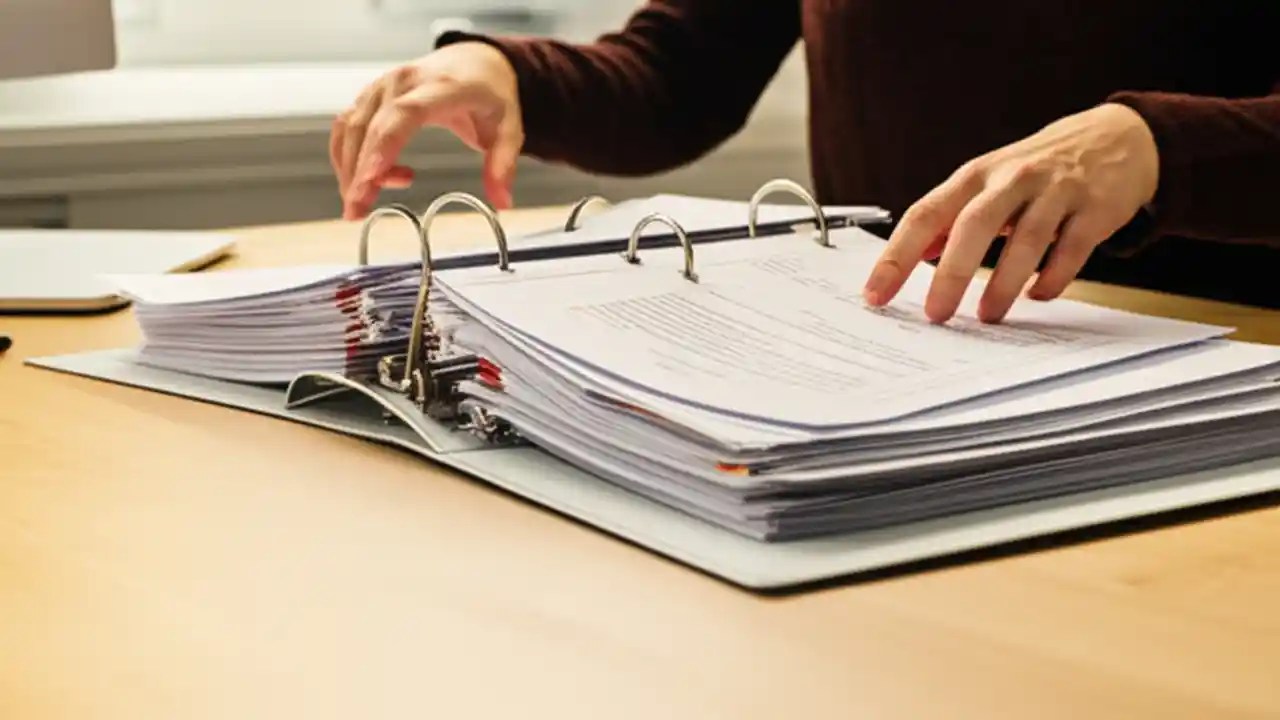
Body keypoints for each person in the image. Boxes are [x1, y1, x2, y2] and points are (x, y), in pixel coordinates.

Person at [329, 1, 1280, 319]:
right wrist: (508, 73)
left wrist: (1161, 144)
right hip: (904, 372)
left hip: (1218, 373)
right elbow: (677, 77)